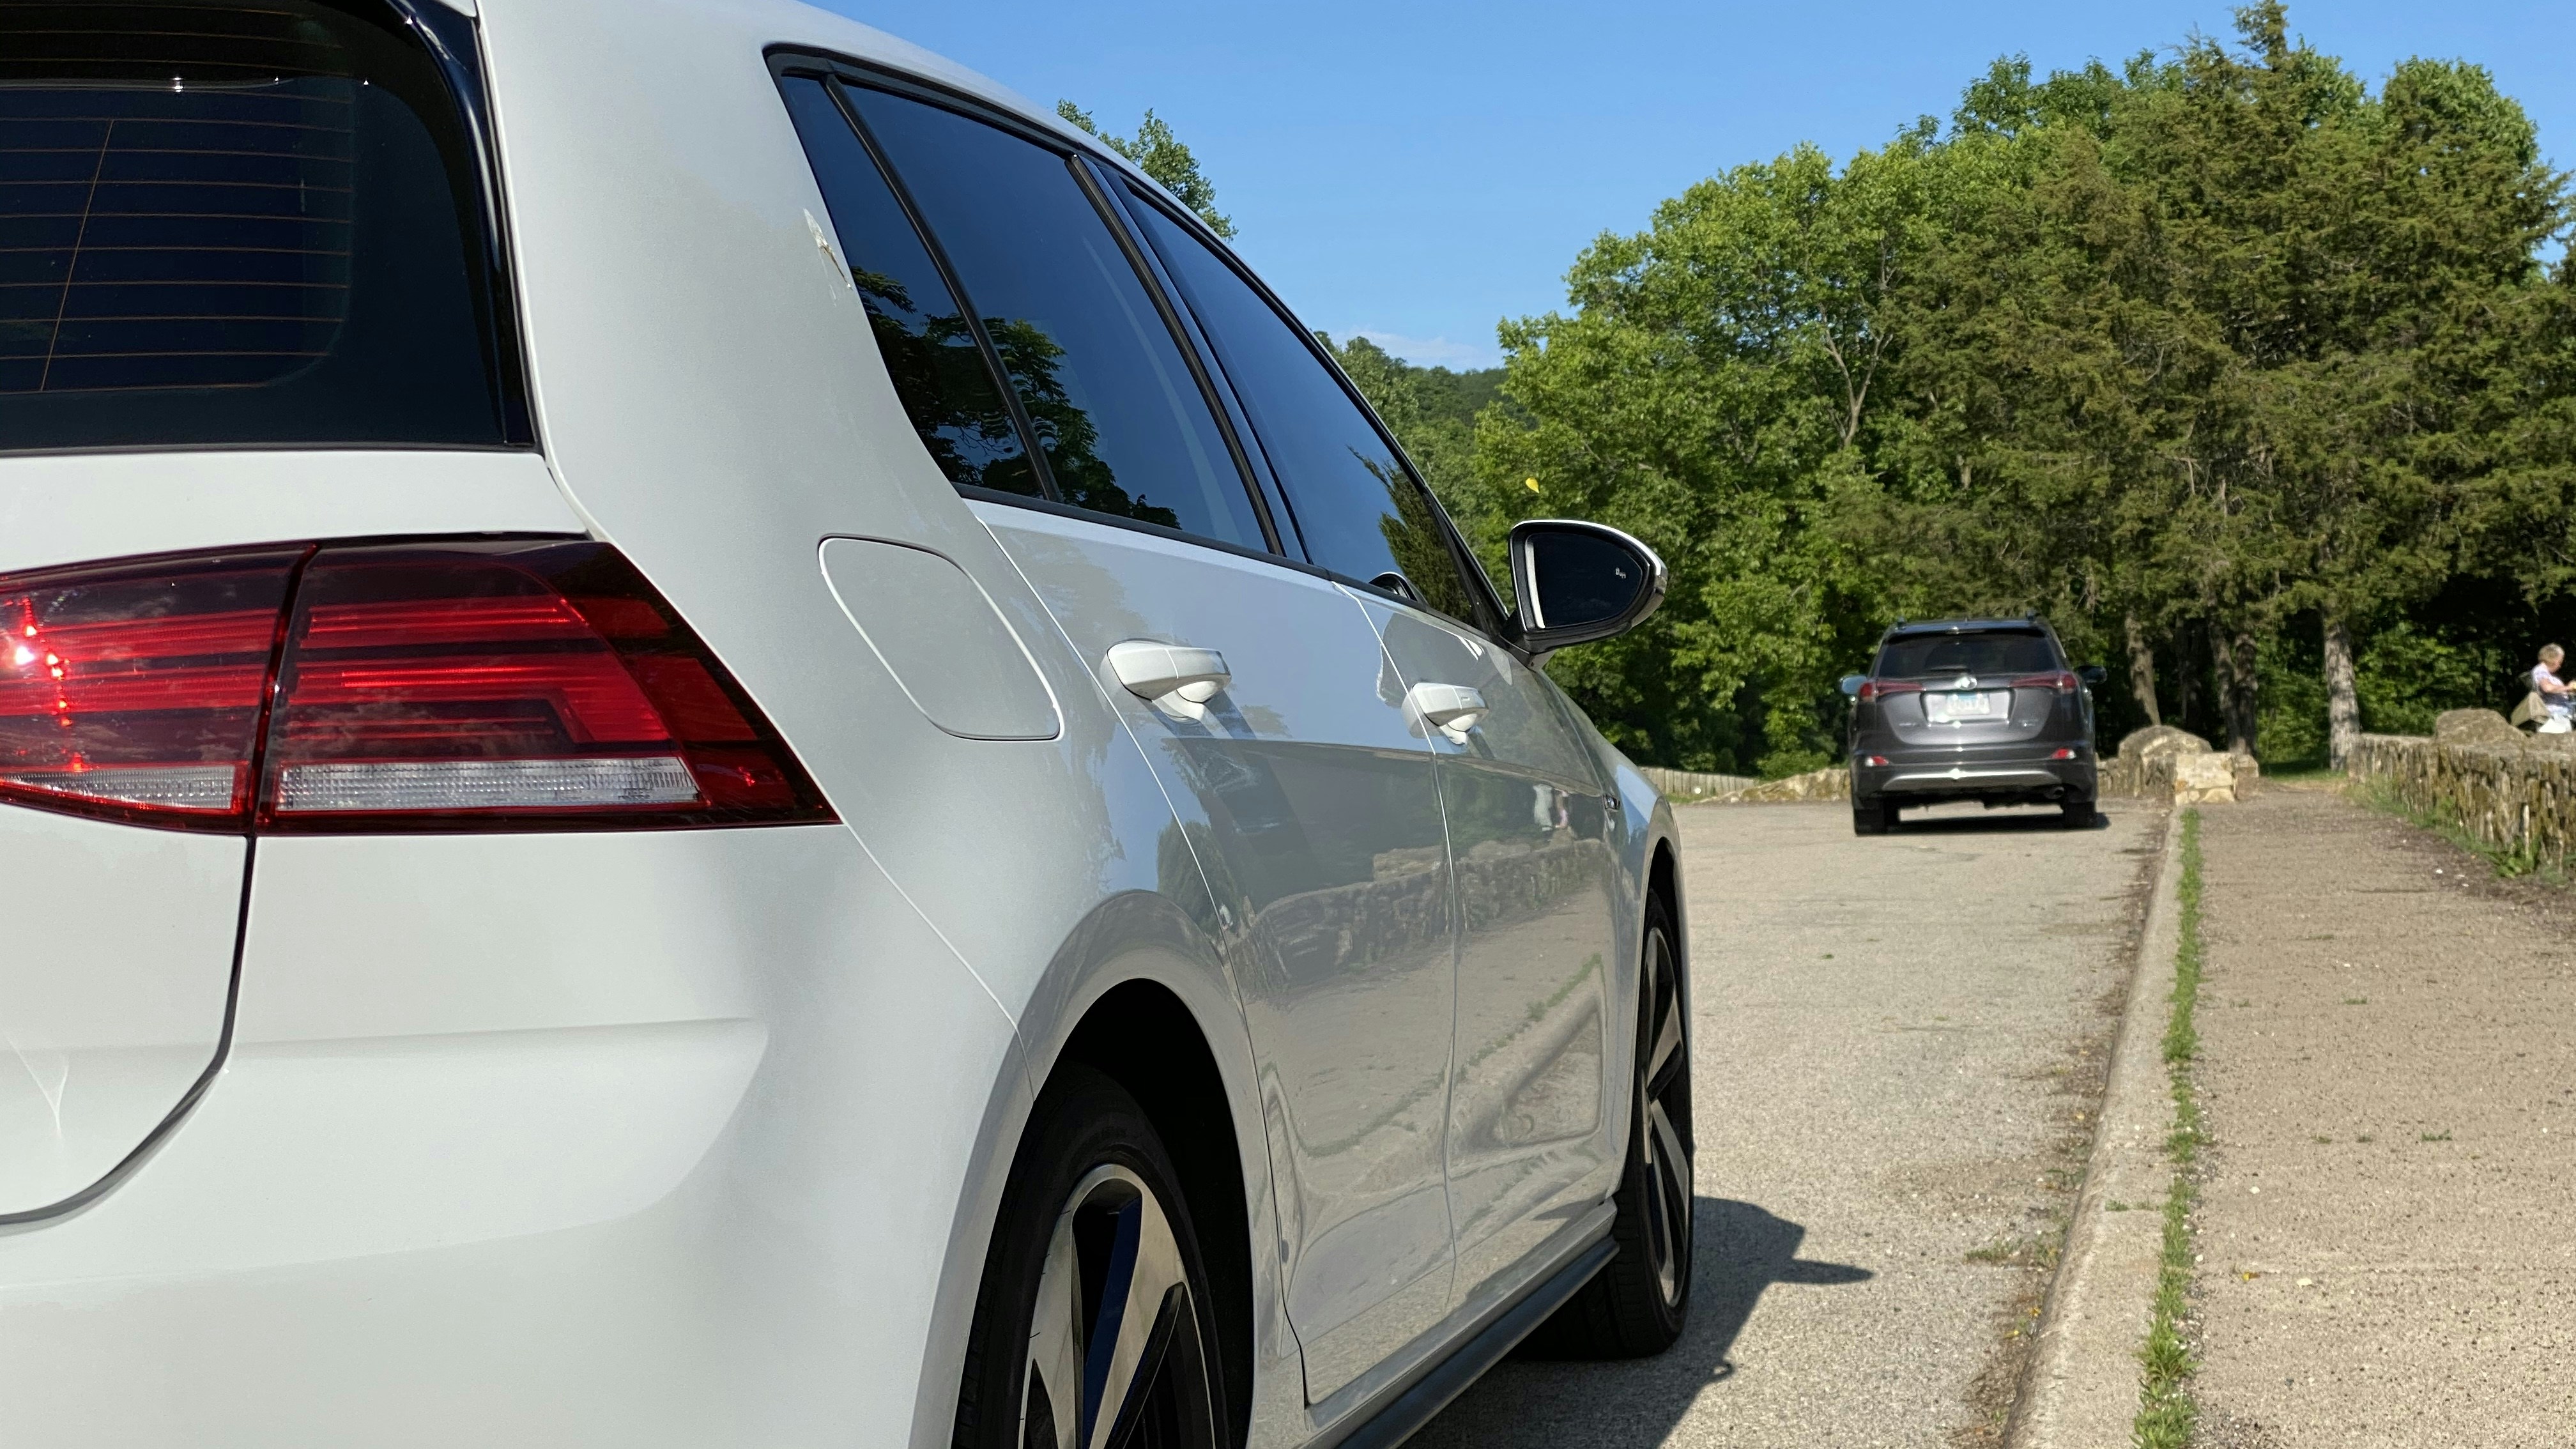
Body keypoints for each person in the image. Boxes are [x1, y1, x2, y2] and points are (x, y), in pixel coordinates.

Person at [2534, 645, 2573, 733]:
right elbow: (2547, 688)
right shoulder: (2541, 671)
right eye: (2559, 662)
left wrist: (2568, 689)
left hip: (2563, 710)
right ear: (2551, 659)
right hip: (2556, 712)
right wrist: (2568, 688)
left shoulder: (2545, 672)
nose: (2560, 666)